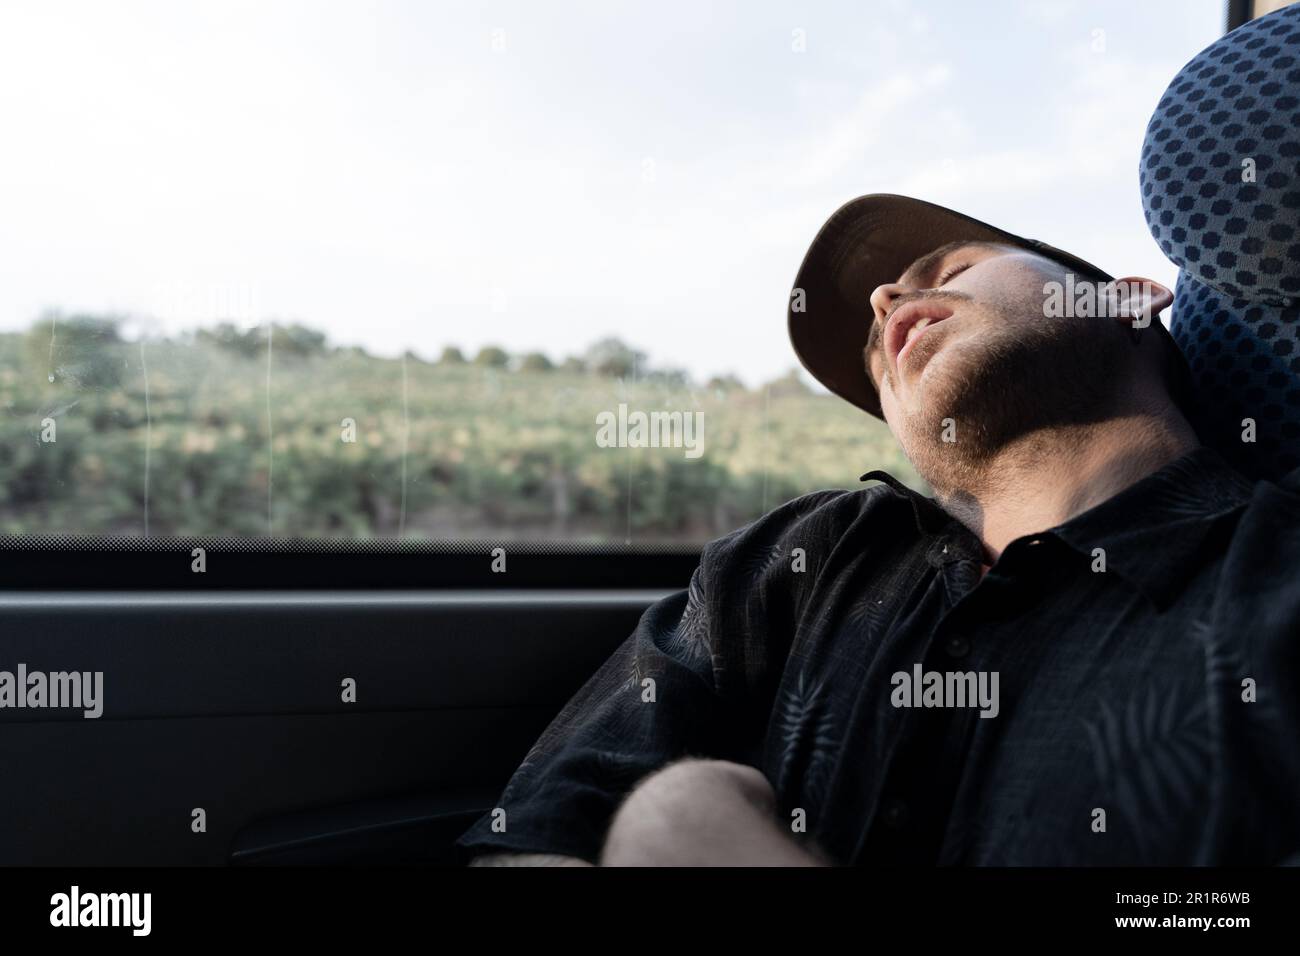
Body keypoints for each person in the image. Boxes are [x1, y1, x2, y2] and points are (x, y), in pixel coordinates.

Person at [458, 194, 1300, 866]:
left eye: (956, 267)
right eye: (875, 353)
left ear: (1127, 298)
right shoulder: (809, 557)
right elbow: (544, 828)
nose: (886, 298)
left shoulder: (1276, 574)